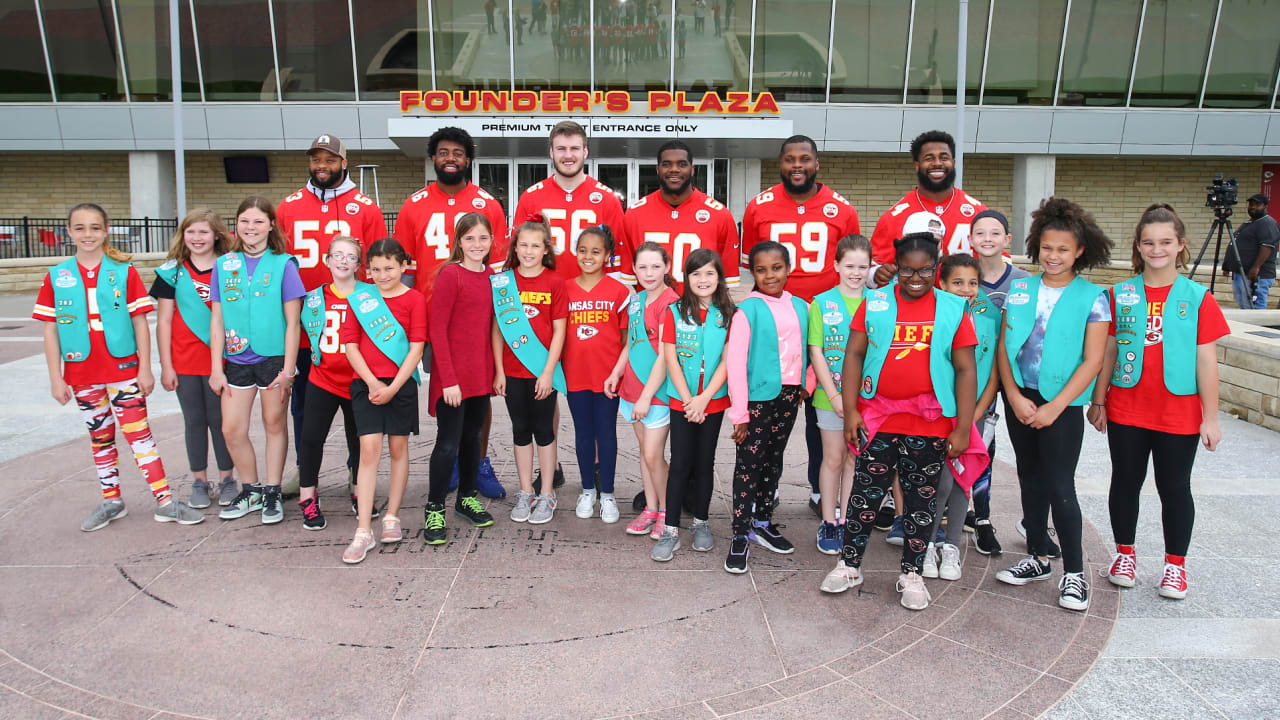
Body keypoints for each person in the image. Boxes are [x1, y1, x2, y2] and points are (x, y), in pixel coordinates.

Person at [819, 232, 983, 610]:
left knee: (922, 500)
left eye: (924, 271)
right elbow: (854, 355)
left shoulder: (953, 308)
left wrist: (961, 425)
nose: (915, 278)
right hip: (878, 415)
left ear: (936, 269)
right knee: (865, 494)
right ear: (895, 268)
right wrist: (852, 410)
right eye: (906, 270)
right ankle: (849, 564)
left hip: (929, 421)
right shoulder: (875, 302)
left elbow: (965, 369)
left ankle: (912, 572)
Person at [35, 203, 204, 531]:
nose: (88, 235)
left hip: (123, 370)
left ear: (106, 230)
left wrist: (144, 369)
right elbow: (50, 329)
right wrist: (56, 378)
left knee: (139, 436)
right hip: (82, 373)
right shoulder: (57, 276)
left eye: (95, 228)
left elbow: (140, 323)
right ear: (69, 232)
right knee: (100, 438)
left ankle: (165, 501)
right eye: (80, 228)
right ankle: (112, 499)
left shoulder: (122, 271)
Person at [1089, 204, 1228, 600]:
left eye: (1166, 242)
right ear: (1138, 246)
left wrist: (1211, 418)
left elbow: (1206, 360)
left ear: (1180, 245)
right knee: (1125, 482)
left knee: (1174, 487)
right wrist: (1098, 400)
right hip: (1128, 406)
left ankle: (1175, 566)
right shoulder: (1120, 294)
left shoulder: (1198, 298)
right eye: (1149, 242)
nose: (1157, 249)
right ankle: (1125, 555)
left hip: (1180, 411)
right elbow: (1110, 351)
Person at [994, 197, 1113, 613]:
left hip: (1061, 405)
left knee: (1061, 485)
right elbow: (1004, 349)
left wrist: (1054, 407)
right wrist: (1013, 396)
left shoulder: (1093, 297)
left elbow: (1093, 360)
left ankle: (1075, 574)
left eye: (1063, 249)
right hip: (1020, 399)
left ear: (1080, 250)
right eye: (1047, 247)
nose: (1053, 256)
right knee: (1030, 479)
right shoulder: (1021, 288)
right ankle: (1038, 557)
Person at [740, 134, 860, 518]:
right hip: (776, 319)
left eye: (804, 159)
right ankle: (765, 488)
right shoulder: (758, 206)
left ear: (816, 163)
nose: (797, 165)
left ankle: (816, 486)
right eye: (790, 159)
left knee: (820, 409)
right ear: (780, 162)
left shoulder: (841, 208)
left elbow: (853, 260)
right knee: (771, 410)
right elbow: (752, 267)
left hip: (827, 320)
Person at [394, 126, 509, 499]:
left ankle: (476, 460)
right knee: (448, 397)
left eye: (458, 153)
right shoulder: (414, 205)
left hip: (476, 323)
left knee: (480, 396)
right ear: (433, 158)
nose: (450, 158)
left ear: (468, 159)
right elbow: (405, 270)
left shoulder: (488, 205)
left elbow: (498, 271)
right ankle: (452, 461)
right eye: (443, 152)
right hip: (432, 319)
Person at [277, 134, 388, 497]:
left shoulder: (365, 208)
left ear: (344, 162)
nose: (321, 166)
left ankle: (359, 471)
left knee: (358, 409)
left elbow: (377, 267)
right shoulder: (289, 206)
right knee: (304, 408)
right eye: (315, 159)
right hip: (308, 326)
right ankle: (303, 469)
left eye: (329, 159)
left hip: (354, 325)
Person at [209, 196, 306, 524]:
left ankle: (272, 491)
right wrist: (215, 368)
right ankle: (250, 489)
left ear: (271, 225)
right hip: (236, 360)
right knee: (232, 429)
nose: (251, 227)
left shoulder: (284, 265)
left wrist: (289, 370)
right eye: (245, 221)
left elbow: (293, 322)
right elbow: (217, 319)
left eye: (258, 221)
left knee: (273, 423)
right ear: (236, 225)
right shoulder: (224, 265)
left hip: (273, 359)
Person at [723, 241, 809, 574]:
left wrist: (807, 382)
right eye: (761, 269)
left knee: (774, 460)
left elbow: (808, 347)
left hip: (789, 397)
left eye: (776, 268)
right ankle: (740, 533)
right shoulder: (748, 310)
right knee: (749, 465)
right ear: (752, 273)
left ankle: (762, 521)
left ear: (788, 268)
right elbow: (736, 363)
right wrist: (740, 413)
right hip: (758, 400)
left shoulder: (800, 306)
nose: (770, 275)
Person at [340, 239, 427, 563]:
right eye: (375, 269)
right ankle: (363, 529)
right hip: (366, 384)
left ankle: (392, 515)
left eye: (389, 268)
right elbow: (351, 346)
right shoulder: (360, 299)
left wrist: (392, 387)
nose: (382, 275)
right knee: (369, 450)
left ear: (403, 266)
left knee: (399, 448)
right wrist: (374, 382)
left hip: (401, 385)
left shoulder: (415, 300)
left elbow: (416, 349)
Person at [919, 252, 999, 582]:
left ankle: (950, 546)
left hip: (973, 413)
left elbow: (993, 370)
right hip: (936, 413)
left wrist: (974, 416)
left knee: (961, 479)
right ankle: (924, 543)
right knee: (939, 481)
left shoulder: (990, 317)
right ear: (940, 283)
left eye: (973, 283)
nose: (966, 289)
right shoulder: (932, 314)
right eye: (957, 283)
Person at [651, 249, 735, 561]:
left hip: (712, 402)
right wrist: (688, 400)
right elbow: (669, 356)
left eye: (709, 273)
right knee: (680, 463)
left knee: (704, 464)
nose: (703, 279)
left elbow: (727, 360)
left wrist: (704, 399)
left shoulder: (729, 314)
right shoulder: (674, 311)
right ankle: (671, 529)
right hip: (681, 402)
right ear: (686, 278)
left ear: (719, 278)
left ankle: (701, 522)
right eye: (696, 273)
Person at [150, 208, 236, 510]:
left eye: (203, 232)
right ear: (182, 235)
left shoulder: (229, 268)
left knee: (221, 421)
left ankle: (228, 478)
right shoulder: (171, 272)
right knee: (194, 421)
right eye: (191, 231)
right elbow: (163, 321)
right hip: (183, 361)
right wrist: (166, 365)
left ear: (216, 235)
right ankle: (200, 480)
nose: (197, 238)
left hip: (220, 361)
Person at [424, 215, 499, 544]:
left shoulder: (493, 278)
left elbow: (493, 327)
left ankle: (466, 497)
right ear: (458, 242)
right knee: (448, 443)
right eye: (470, 239)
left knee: (472, 439)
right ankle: (435, 507)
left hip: (480, 374)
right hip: (452, 377)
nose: (477, 245)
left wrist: (496, 372)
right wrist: (449, 380)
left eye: (483, 238)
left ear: (491, 241)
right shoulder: (450, 275)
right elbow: (437, 330)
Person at [492, 221, 568, 525]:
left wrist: (549, 371)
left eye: (535, 245)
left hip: (542, 372)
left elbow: (560, 330)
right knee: (520, 430)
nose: (528, 251)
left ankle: (547, 491)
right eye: (523, 245)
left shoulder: (555, 282)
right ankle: (525, 491)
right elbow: (497, 330)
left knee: (544, 431)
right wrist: (498, 370)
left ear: (545, 249)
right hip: (511, 372)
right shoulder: (502, 283)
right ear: (515, 247)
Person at [563, 225, 631, 524]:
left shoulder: (619, 291)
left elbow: (628, 339)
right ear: (574, 252)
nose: (588, 256)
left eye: (595, 251)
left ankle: (609, 494)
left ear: (607, 256)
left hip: (608, 378)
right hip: (575, 375)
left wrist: (618, 372)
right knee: (582, 433)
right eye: (582, 250)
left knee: (606, 432)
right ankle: (588, 489)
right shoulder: (564, 289)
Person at [807, 234, 871, 554]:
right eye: (849, 266)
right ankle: (828, 520)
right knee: (832, 458)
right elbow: (816, 351)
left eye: (862, 266)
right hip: (829, 396)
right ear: (836, 265)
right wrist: (833, 396)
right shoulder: (821, 303)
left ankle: (847, 519)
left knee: (853, 459)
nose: (856, 272)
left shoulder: (878, 302)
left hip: (866, 401)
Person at [970, 209, 1028, 555]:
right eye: (980, 233)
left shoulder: (1024, 281)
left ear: (1007, 240)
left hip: (1019, 376)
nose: (987, 238)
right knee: (982, 447)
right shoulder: (963, 277)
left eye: (995, 233)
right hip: (980, 378)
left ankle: (1035, 521)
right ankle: (981, 518)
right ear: (971, 239)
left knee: (1030, 454)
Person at [296, 236, 364, 531]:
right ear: (326, 260)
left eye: (351, 256)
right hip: (323, 378)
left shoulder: (370, 295)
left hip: (357, 379)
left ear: (360, 265)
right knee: (311, 438)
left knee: (360, 440)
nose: (343, 260)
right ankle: (307, 496)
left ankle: (360, 490)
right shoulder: (314, 297)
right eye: (337, 255)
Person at [513, 121, 629, 280]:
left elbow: (617, 259)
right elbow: (516, 255)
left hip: (590, 297)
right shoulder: (530, 198)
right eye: (561, 149)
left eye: (574, 148)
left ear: (585, 152)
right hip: (543, 295)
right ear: (552, 152)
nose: (568, 155)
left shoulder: (607, 199)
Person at [870, 130, 987, 286]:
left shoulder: (978, 212)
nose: (937, 163)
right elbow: (872, 265)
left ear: (954, 162)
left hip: (965, 305)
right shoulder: (894, 217)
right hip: (912, 304)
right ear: (917, 166)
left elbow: (998, 259)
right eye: (929, 158)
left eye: (944, 157)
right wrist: (877, 273)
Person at [620, 140, 740, 289]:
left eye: (682, 164)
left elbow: (726, 279)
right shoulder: (634, 214)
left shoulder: (719, 214)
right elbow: (631, 278)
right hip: (653, 310)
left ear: (692, 169)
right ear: (658, 169)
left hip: (700, 310)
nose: (674, 169)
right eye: (666, 164)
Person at [620, 243, 679, 538]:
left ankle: (668, 512)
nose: (649, 273)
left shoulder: (671, 303)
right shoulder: (636, 300)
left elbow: (666, 356)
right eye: (642, 267)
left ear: (667, 267)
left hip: (656, 394)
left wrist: (645, 397)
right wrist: (616, 372)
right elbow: (632, 342)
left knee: (654, 454)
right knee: (645, 453)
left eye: (656, 266)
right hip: (631, 388)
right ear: (633, 269)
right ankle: (651, 508)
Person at [1223, 193, 1278, 309]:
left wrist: (1256, 267)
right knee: (1244, 305)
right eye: (1251, 204)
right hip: (1241, 272)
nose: (1253, 207)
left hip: (1256, 275)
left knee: (1254, 307)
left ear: (1265, 206)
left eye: (1257, 204)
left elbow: (1267, 246)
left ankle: (1258, 327)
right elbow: (1235, 243)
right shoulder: (1249, 223)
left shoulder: (1267, 223)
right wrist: (1227, 265)